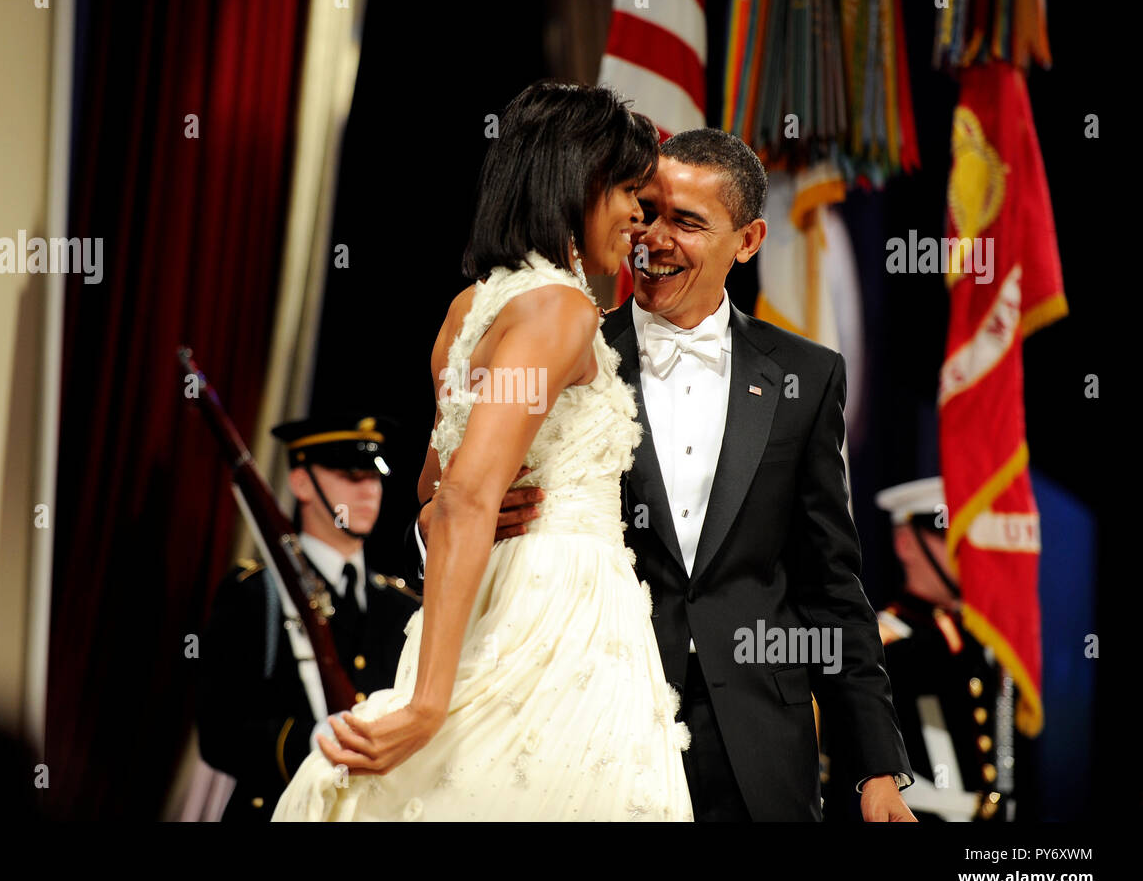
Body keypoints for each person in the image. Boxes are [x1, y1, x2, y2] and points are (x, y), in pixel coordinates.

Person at [414, 128, 915, 821]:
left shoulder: (807, 374)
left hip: (761, 749)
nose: (654, 236)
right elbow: (456, 492)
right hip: (596, 721)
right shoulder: (572, 346)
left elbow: (831, 584)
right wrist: (438, 521)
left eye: (687, 221)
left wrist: (877, 768)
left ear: (749, 239)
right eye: (646, 211)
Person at [274, 82, 694, 821]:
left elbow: (433, 497)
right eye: (629, 189)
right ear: (574, 178)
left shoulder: (468, 309)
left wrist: (457, 512)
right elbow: (463, 497)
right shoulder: (561, 307)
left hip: (493, 604)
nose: (638, 215)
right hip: (558, 625)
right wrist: (430, 701)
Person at [196, 416, 418, 821]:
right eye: (351, 475)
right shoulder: (256, 593)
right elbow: (220, 734)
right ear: (301, 484)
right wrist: (311, 743)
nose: (370, 489)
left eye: (376, 476)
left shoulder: (400, 605)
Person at [832, 476, 1020, 821]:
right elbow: (928, 665)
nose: (964, 550)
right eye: (947, 535)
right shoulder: (882, 640)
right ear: (906, 543)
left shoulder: (976, 636)